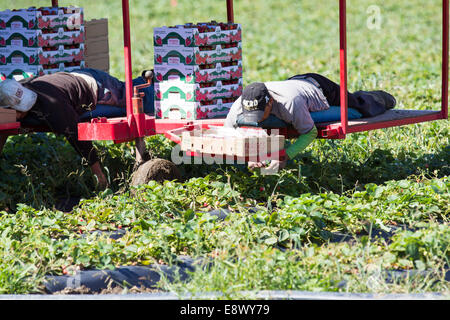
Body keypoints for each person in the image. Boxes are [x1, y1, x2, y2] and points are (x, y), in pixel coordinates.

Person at [0, 68, 154, 190]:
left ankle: (158, 82)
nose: (19, 114)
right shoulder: (17, 91)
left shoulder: (52, 107)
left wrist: (98, 175)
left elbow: (77, 137)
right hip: (73, 81)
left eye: (20, 110)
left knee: (139, 102)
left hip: (97, 86)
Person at [224, 73, 396, 171]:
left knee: (359, 108)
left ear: (270, 102)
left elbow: (310, 132)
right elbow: (227, 134)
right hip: (294, 84)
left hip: (319, 87)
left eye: (261, 114)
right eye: (252, 115)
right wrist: (248, 157)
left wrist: (285, 155)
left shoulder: (290, 103)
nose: (258, 119)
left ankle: (380, 97)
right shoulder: (239, 105)